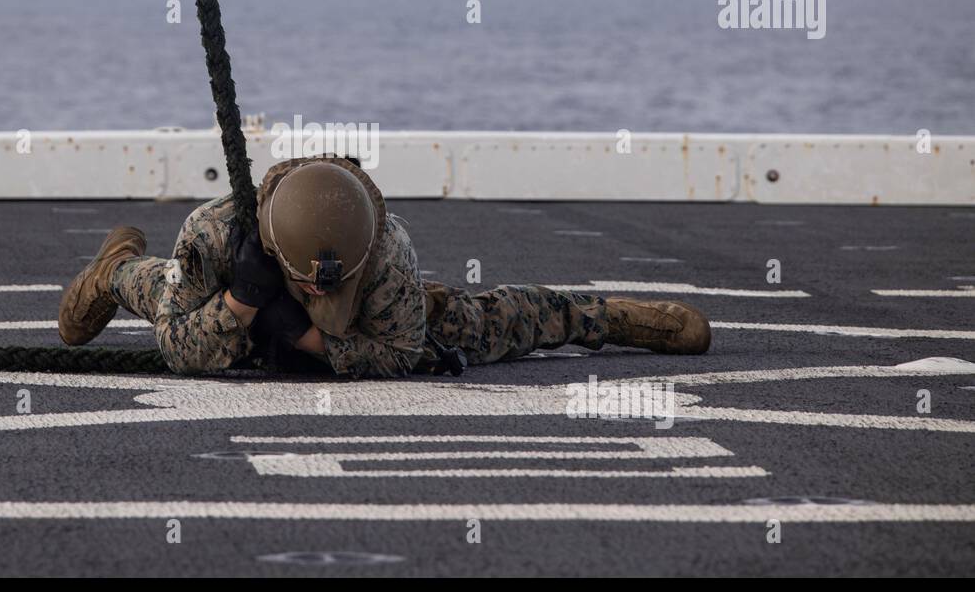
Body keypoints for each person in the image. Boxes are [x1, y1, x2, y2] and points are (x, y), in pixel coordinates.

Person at [58, 156, 711, 377]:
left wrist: (304, 334)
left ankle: (607, 318)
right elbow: (179, 347)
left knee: (494, 324)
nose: (317, 285)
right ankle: (110, 266)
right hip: (240, 303)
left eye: (328, 278)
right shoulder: (214, 229)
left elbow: (397, 355)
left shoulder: (387, 249)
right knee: (156, 286)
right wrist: (244, 303)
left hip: (349, 323)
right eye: (307, 277)